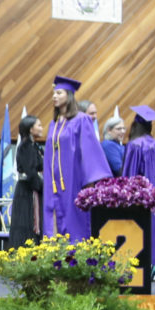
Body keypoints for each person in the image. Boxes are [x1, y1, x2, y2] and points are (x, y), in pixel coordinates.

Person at [43, 76, 111, 242]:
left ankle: (76, 260)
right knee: (52, 219)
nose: (54, 96)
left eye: (59, 93)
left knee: (74, 221)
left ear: (69, 95)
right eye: (54, 93)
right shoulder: (55, 123)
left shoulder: (81, 120)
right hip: (53, 182)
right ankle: (54, 261)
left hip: (73, 181)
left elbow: (89, 150)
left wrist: (90, 183)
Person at [121, 105, 155, 277]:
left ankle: (139, 267)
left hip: (139, 199)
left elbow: (130, 174)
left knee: (139, 230)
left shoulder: (135, 145)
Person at [8, 114, 44, 248]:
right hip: (27, 191)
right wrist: (43, 187)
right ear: (30, 129)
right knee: (26, 225)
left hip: (33, 189)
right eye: (39, 125)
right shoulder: (25, 146)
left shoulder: (34, 146)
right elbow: (30, 172)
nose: (42, 128)